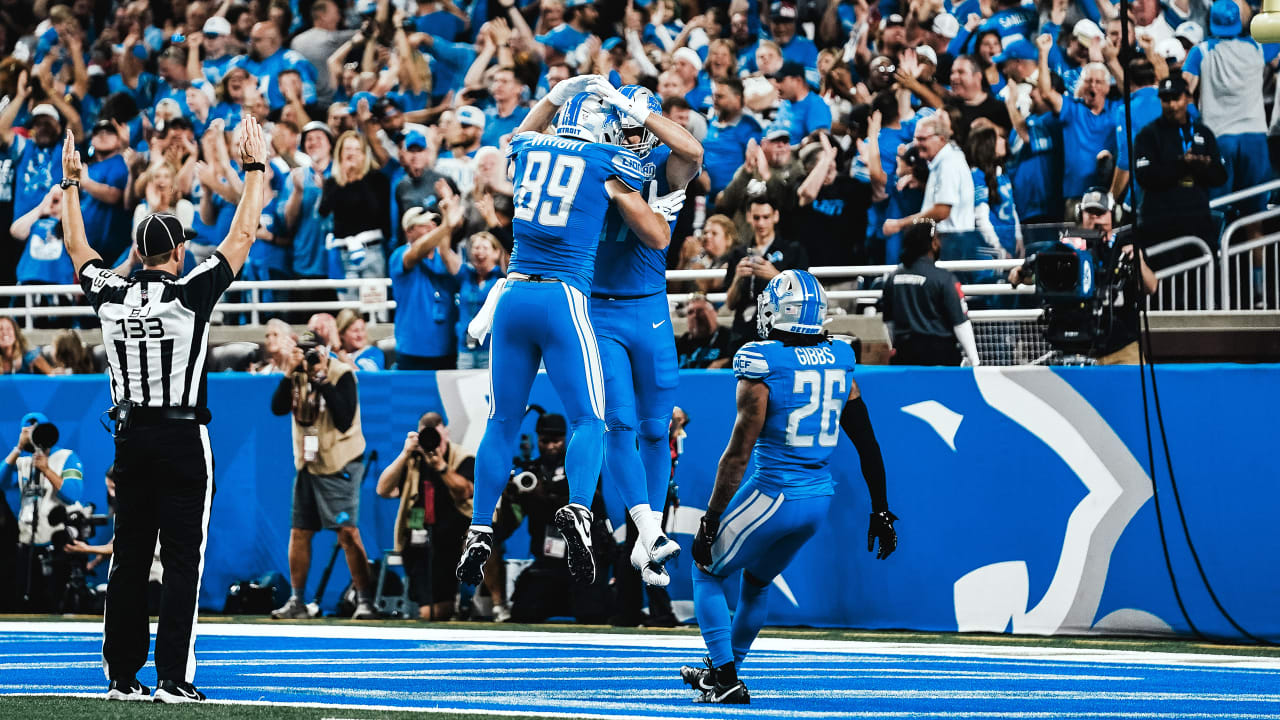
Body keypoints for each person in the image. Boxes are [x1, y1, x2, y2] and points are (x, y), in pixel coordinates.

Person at [61, 115, 269, 703]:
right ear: (177, 252)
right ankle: (174, 678)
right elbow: (242, 236)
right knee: (182, 560)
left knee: (128, 558)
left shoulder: (113, 295)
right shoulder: (187, 294)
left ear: (135, 251)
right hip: (181, 437)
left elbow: (79, 249)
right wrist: (254, 166)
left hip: (131, 437)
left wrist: (72, 185)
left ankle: (121, 676)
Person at [454, 78, 675, 589]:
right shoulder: (605, 159)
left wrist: (554, 96)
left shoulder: (530, 146)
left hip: (512, 296)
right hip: (564, 299)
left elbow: (513, 142)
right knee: (590, 419)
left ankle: (480, 528)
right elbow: (677, 158)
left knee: (502, 421)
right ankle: (578, 509)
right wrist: (630, 109)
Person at [681, 270, 897, 704]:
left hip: (774, 492)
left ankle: (723, 677)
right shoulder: (840, 356)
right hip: (817, 499)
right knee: (757, 582)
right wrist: (881, 509)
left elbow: (738, 455)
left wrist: (710, 519)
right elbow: (867, 443)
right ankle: (725, 670)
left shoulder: (764, 362)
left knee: (705, 569)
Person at [591, 82, 702, 588]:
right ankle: (649, 529)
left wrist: (644, 115)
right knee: (619, 423)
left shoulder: (665, 161)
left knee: (656, 429)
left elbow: (692, 151)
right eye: (625, 126)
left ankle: (646, 540)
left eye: (640, 126)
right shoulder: (594, 160)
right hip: (600, 309)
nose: (632, 137)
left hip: (650, 306)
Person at [269, 330, 375, 622]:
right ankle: (297, 600)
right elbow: (277, 408)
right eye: (303, 351)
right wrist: (290, 375)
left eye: (313, 351)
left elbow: (343, 420)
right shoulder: (296, 374)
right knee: (299, 532)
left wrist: (322, 378)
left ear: (325, 350)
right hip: (308, 463)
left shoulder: (342, 374)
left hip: (339, 464)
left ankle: (365, 600)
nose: (308, 357)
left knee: (347, 532)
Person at [488, 413, 614, 624]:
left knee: (592, 613)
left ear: (565, 439)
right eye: (545, 441)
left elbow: (590, 505)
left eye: (556, 441)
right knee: (524, 612)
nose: (550, 446)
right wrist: (513, 498)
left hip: (583, 562)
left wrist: (543, 497)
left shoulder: (579, 468)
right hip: (548, 562)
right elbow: (508, 526)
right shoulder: (531, 473)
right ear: (537, 440)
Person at [1009, 190, 1159, 364]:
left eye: (1100, 213)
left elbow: (1151, 287)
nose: (1095, 218)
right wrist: (1021, 272)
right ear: (1080, 215)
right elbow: (1029, 276)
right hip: (1077, 350)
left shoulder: (1127, 247)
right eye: (1090, 213)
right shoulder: (1068, 249)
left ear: (1113, 215)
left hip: (1123, 347)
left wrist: (1138, 261)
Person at [376, 412, 474, 620]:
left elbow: (465, 491)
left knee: (440, 610)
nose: (433, 442)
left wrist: (441, 466)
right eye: (427, 436)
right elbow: (383, 489)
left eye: (437, 436)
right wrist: (404, 454)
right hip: (417, 538)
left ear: (446, 434)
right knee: (429, 612)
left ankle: (457, 601)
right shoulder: (413, 459)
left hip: (450, 538)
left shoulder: (461, 457)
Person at [1, 415, 84, 612]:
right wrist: (18, 448)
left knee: (55, 607)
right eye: (28, 431)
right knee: (26, 608)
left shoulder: (66, 457)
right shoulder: (22, 462)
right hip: (27, 545)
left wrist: (46, 469)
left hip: (57, 546)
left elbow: (72, 494)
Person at [1132, 74, 1226, 247]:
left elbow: (1220, 175)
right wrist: (1182, 165)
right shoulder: (1148, 135)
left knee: (1201, 272)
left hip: (1197, 220)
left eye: (1176, 98)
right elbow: (1145, 176)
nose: (1172, 105)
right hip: (1160, 223)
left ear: (1188, 97)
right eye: (1166, 100)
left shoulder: (1203, 132)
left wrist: (1203, 167)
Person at [881, 220, 982, 367]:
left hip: (904, 356)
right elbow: (960, 323)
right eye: (938, 239)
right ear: (933, 243)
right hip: (940, 358)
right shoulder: (944, 279)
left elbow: (888, 323)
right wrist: (974, 360)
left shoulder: (892, 278)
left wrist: (894, 347)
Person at [723, 194, 809, 348]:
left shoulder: (793, 251)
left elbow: (803, 296)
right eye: (756, 217)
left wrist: (775, 276)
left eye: (766, 217)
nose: (761, 223)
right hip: (743, 333)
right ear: (749, 217)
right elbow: (730, 304)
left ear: (775, 216)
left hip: (780, 331)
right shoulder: (739, 254)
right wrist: (737, 278)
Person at [390, 202, 464, 370]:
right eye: (425, 224)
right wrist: (446, 226)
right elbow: (417, 252)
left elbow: (462, 275)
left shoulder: (445, 256)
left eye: (434, 223)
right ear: (409, 231)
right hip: (413, 349)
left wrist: (449, 225)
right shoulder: (399, 255)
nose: (432, 227)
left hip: (447, 347)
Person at [455, 231, 506, 370]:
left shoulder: (502, 279)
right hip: (465, 349)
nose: (479, 252)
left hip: (491, 349)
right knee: (463, 390)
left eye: (485, 248)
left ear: (496, 252)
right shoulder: (465, 275)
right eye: (476, 248)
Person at [676, 294, 734, 369]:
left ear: (714, 313)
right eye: (690, 312)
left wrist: (726, 362)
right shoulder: (682, 343)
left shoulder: (730, 338)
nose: (695, 316)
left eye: (700, 311)